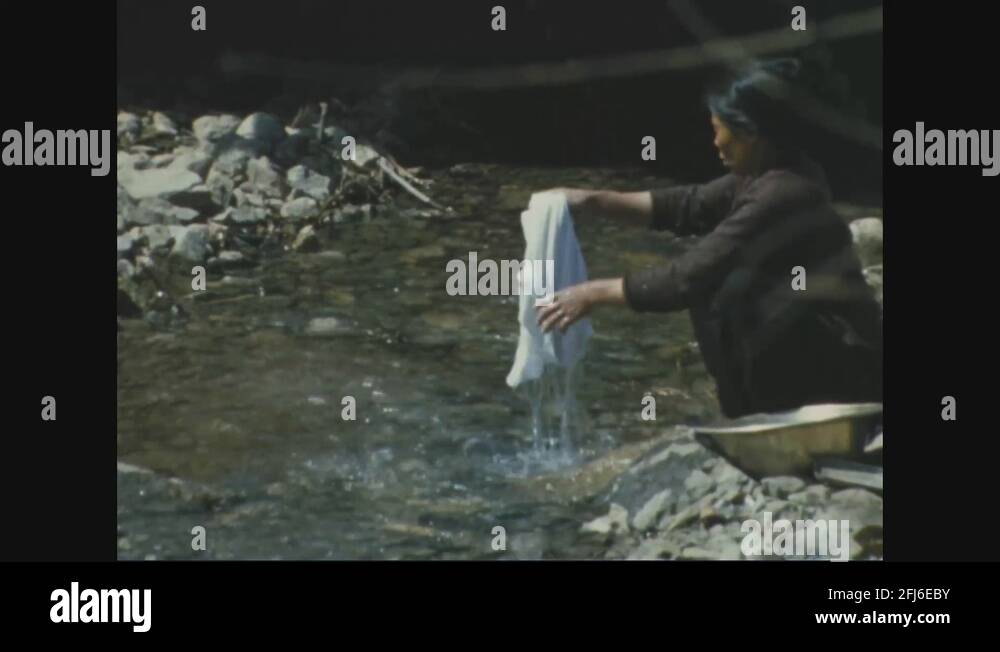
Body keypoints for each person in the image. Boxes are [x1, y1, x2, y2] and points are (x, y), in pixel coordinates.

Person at [535, 57, 882, 419]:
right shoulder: (768, 175)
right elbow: (684, 206)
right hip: (831, 362)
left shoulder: (785, 193)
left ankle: (767, 412)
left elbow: (686, 278)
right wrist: (592, 201)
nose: (715, 141)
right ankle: (755, 407)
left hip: (848, 373)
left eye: (718, 129)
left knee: (717, 288)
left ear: (750, 132)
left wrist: (590, 294)